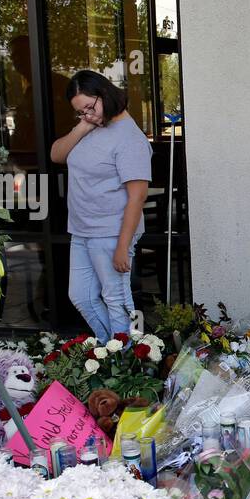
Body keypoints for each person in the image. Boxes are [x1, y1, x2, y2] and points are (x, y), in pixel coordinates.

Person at [50, 70, 152, 341]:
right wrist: (83, 126)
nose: (88, 115)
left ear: (104, 93)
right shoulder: (92, 127)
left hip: (111, 232)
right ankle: (112, 353)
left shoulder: (130, 139)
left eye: (90, 107)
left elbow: (137, 197)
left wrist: (122, 245)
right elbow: (56, 154)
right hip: (82, 230)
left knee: (117, 299)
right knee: (81, 296)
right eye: (80, 112)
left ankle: (131, 361)